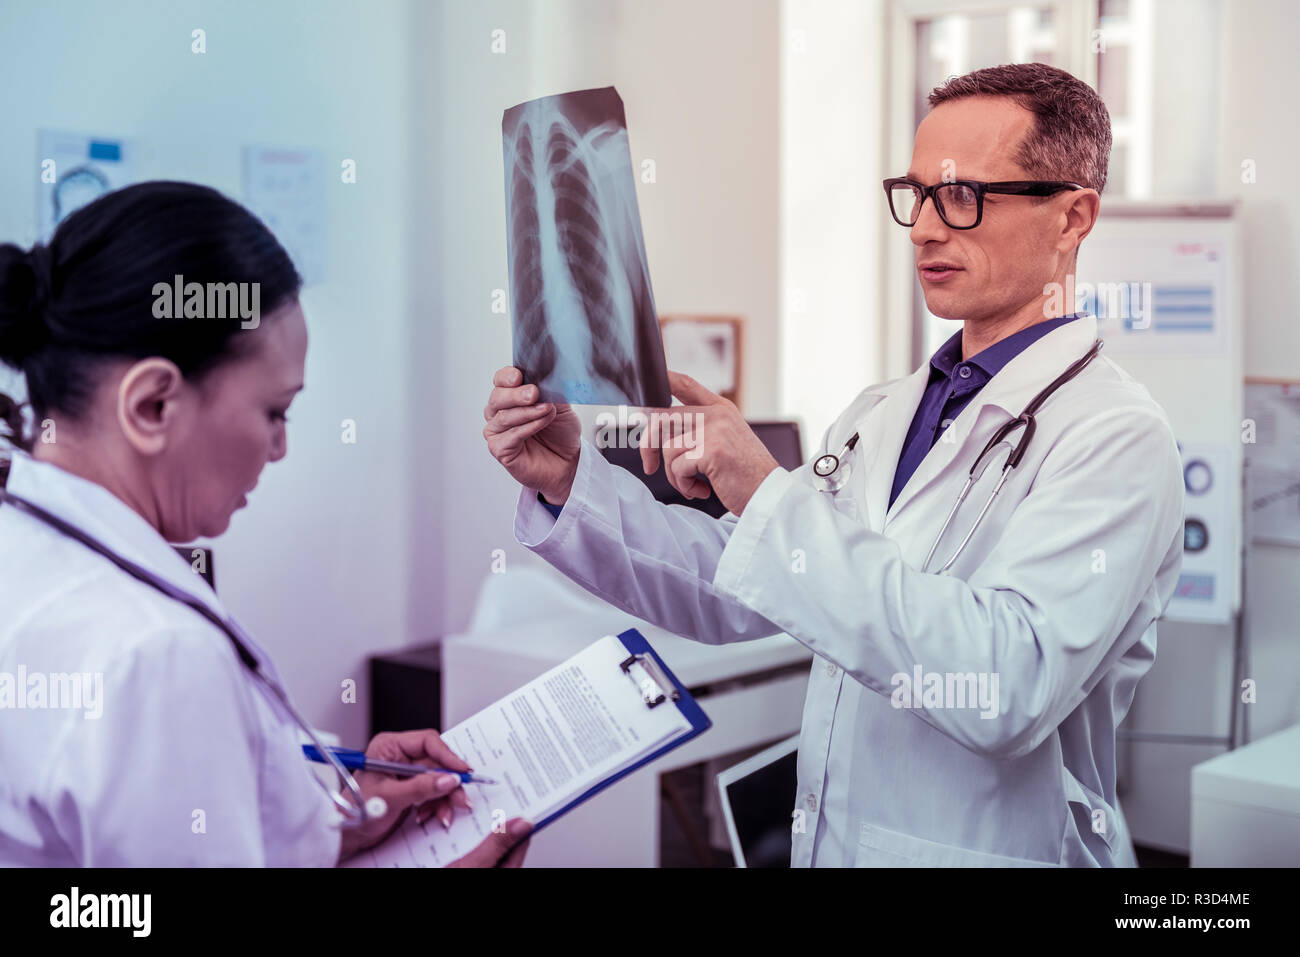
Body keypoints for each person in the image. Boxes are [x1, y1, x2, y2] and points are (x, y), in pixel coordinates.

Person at [483, 63, 1184, 867]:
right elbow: (737, 594)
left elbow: (1005, 684)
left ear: (1073, 217)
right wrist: (570, 481)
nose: (923, 228)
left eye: (961, 195)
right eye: (914, 194)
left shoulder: (1117, 436)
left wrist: (764, 491)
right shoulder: (881, 413)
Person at [0, 181, 530, 867]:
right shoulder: (154, 656)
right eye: (275, 412)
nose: (280, 447)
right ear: (154, 405)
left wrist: (322, 817)